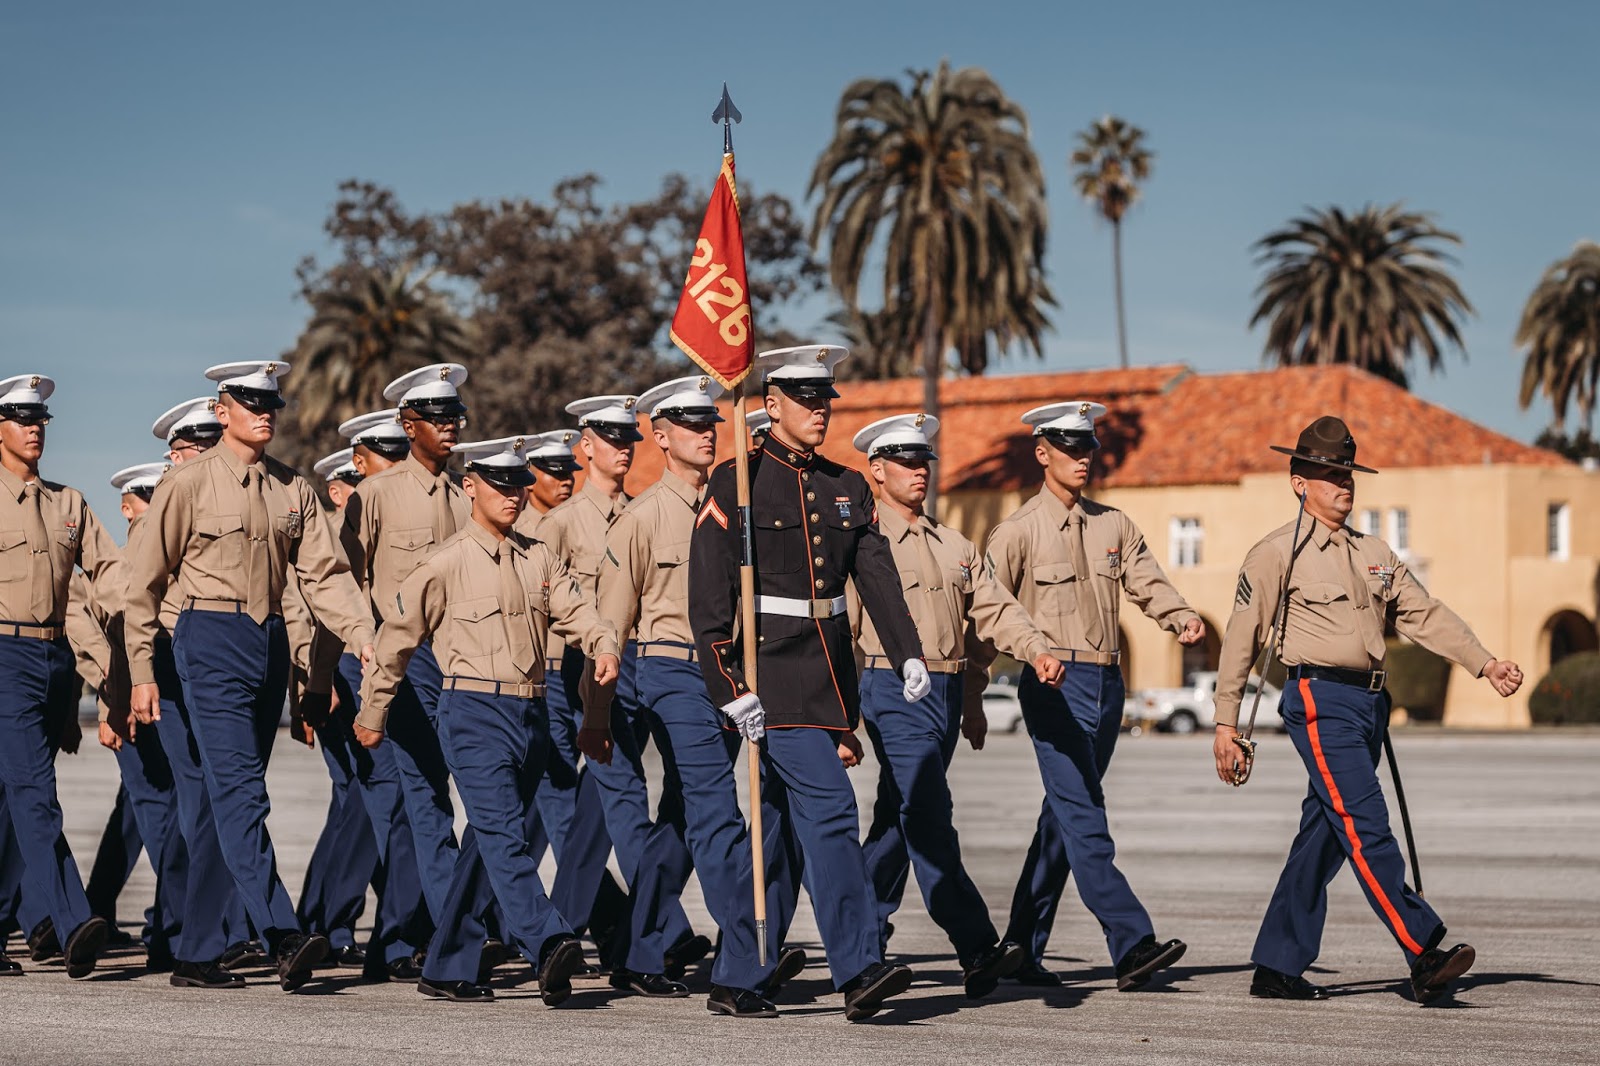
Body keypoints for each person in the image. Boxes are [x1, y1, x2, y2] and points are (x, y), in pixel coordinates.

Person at [1212, 416, 1522, 1005]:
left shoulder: (1373, 552)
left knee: (1326, 834)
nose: (1343, 484)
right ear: (1299, 480)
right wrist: (1226, 724)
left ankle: (1277, 965)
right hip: (1318, 699)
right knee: (1365, 822)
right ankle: (1422, 949)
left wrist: (1484, 663)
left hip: (1369, 703)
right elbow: (1241, 639)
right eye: (1329, 473)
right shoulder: (1275, 553)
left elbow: (1423, 614)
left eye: (1347, 472)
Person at [689, 344, 926, 1022]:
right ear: (771, 405)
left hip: (829, 682)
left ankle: (738, 974)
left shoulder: (847, 485)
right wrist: (727, 682)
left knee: (780, 835)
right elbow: (707, 597)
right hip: (771, 678)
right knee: (831, 812)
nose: (821, 410)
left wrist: (906, 651)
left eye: (826, 400)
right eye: (807, 400)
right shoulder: (736, 482)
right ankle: (859, 967)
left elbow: (874, 573)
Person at [124, 360, 376, 991]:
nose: (265, 411)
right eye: (250, 401)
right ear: (222, 409)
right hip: (206, 638)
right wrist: (140, 670)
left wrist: (365, 636)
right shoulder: (187, 485)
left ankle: (197, 951)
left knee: (220, 799)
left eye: (272, 402)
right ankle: (281, 931)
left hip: (266, 642)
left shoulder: (292, 490)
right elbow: (142, 584)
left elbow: (325, 574)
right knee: (241, 794)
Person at [355, 436, 620, 1007]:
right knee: (503, 834)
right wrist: (373, 709)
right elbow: (396, 640)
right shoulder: (444, 563)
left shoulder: (538, 557)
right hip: (472, 711)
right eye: (499, 485)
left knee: (491, 839)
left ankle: (448, 965)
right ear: (470, 486)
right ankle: (547, 939)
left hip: (531, 711)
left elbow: (576, 609)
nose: (513, 495)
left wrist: (601, 642)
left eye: (519, 486)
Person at [589, 375, 806, 1016]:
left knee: (683, 819)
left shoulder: (737, 505)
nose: (706, 433)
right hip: (672, 670)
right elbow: (612, 622)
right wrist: (599, 710)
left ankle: (637, 948)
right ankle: (746, 960)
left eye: (711, 423)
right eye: (690, 425)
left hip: (734, 675)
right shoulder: (641, 518)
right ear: (660, 437)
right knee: (717, 812)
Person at [848, 413, 1064, 998]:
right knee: (927, 812)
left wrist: (1032, 651)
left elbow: (992, 612)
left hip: (942, 692)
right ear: (876, 470)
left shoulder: (954, 544)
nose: (919, 472)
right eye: (905, 462)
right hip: (891, 687)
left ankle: (860, 942)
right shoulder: (862, 542)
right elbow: (843, 631)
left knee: (899, 815)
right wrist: (841, 717)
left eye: (924, 463)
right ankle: (975, 945)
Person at [988, 400, 1198, 991]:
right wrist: (972, 690)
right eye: (1070, 449)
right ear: (1042, 452)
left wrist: (1178, 614)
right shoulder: (1017, 531)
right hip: (1053, 684)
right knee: (1083, 814)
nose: (1083, 459)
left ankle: (1019, 947)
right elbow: (986, 608)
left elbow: (1147, 579)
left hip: (1107, 683)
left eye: (1088, 449)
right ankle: (1131, 942)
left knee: (1063, 818)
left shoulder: (1115, 525)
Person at [534, 396, 700, 972]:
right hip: (577, 672)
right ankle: (662, 931)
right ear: (586, 447)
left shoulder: (644, 513)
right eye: (610, 439)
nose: (623, 448)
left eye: (629, 438)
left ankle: (558, 927)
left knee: (594, 813)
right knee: (621, 800)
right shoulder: (558, 524)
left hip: (642, 664)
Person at [339, 367, 472, 940]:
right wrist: (354, 663)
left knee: (486, 799)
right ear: (406, 423)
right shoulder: (375, 496)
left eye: (454, 418)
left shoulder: (468, 496)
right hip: (406, 658)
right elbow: (342, 581)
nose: (449, 428)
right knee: (426, 798)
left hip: (463, 660)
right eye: (436, 419)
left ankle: (451, 924)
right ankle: (447, 931)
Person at [0, 373, 123, 979]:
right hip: (1, 652)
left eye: (40, 420)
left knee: (9, 799)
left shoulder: (68, 502)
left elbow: (110, 573)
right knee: (34, 795)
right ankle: (74, 921)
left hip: (53, 661)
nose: (33, 429)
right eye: (22, 418)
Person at [134, 396, 256, 988]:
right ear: (174, 456)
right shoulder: (173, 501)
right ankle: (189, 928)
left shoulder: (239, 495)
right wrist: (131, 681)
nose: (204, 457)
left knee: (219, 800)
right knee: (197, 802)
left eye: (211, 445)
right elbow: (133, 600)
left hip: (220, 658)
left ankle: (210, 932)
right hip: (172, 660)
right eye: (193, 448)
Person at [83, 462, 184, 970]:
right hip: (133, 707)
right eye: (148, 498)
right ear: (126, 507)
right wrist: (111, 708)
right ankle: (173, 925)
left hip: (167, 704)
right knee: (160, 815)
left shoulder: (174, 561)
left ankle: (98, 907)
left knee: (140, 815)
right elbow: (106, 647)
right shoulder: (119, 570)